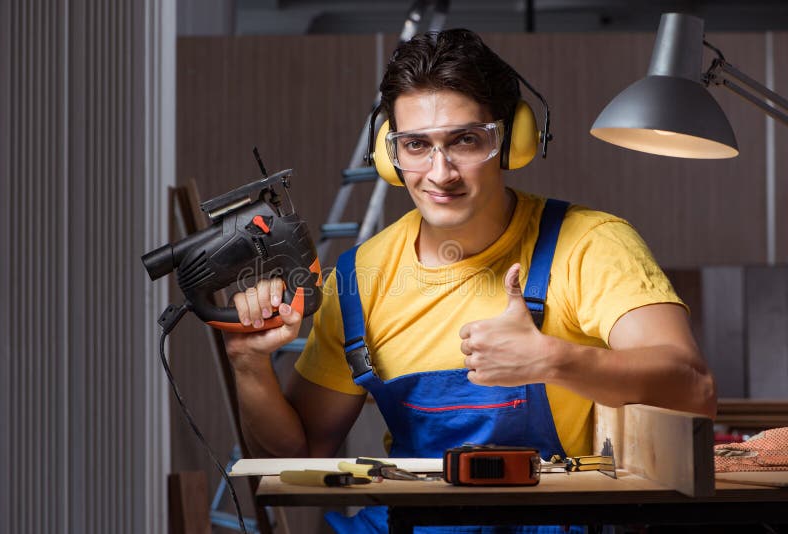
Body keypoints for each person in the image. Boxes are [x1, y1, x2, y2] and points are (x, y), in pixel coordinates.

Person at [224, 28, 717, 534]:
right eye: (416, 145)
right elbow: (295, 460)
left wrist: (554, 359)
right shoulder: (359, 277)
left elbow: (694, 388)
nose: (440, 173)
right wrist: (248, 363)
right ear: (389, 156)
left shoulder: (590, 245)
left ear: (512, 142)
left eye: (465, 140)